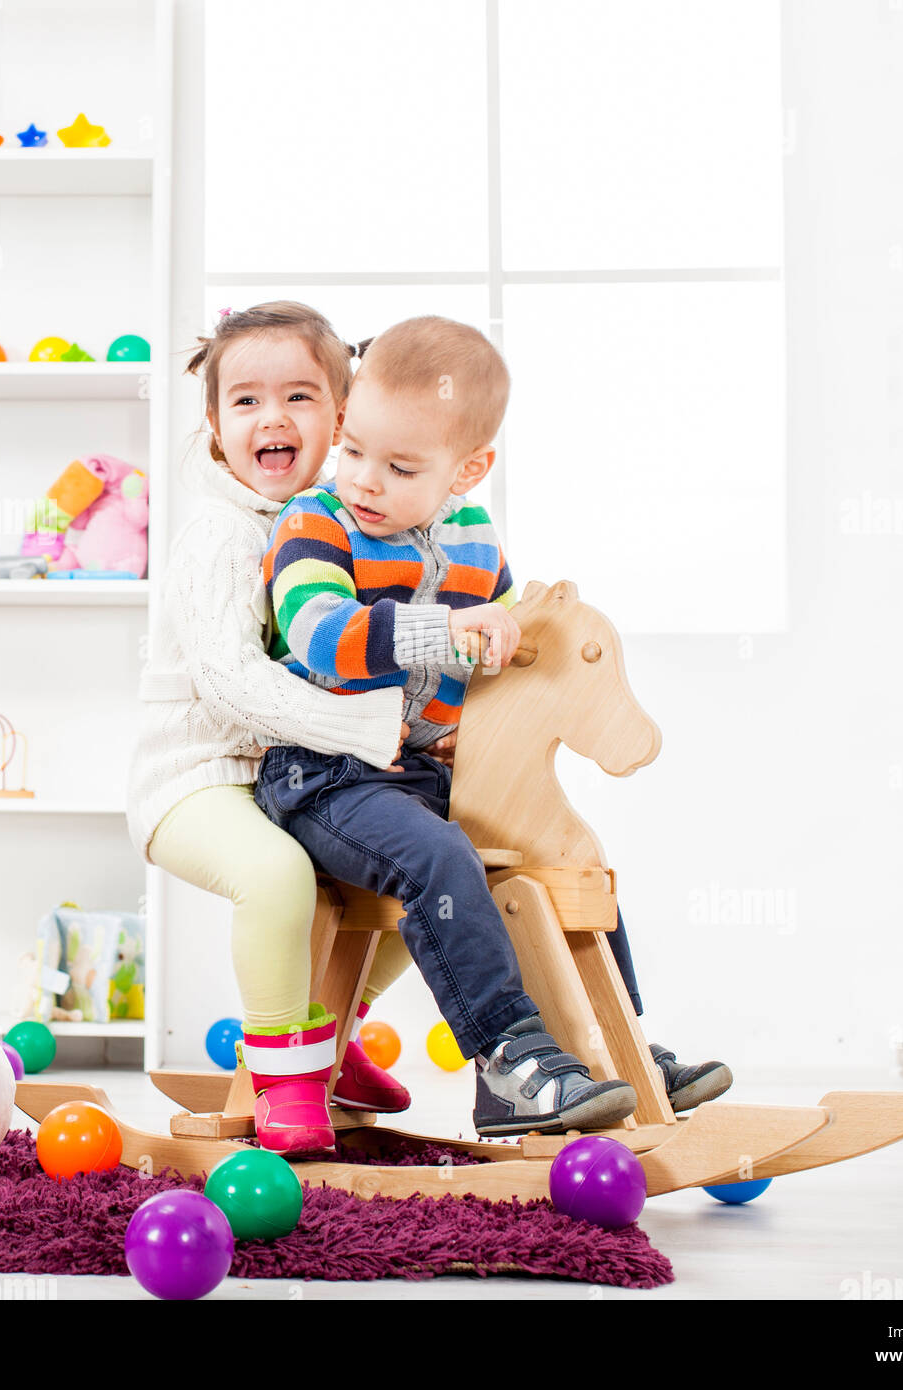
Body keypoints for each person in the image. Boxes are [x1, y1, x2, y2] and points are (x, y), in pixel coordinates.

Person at [254, 315, 732, 1141]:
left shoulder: (475, 541)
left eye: (401, 467)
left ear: (468, 469)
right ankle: (507, 1060)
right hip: (324, 773)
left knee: (563, 849)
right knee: (442, 856)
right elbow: (317, 633)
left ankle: (614, 1042)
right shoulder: (315, 523)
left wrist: (517, 634)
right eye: (354, 448)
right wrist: (449, 631)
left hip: (429, 773)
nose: (365, 479)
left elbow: (502, 653)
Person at [126, 301, 429, 1159]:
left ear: (342, 417)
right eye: (247, 402)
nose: (274, 418)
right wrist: (370, 725)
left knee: (421, 867)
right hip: (196, 777)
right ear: (217, 427)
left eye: (300, 396)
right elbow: (229, 688)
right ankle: (287, 1081)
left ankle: (331, 1031)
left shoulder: (353, 530)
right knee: (276, 876)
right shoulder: (220, 535)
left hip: (294, 774)